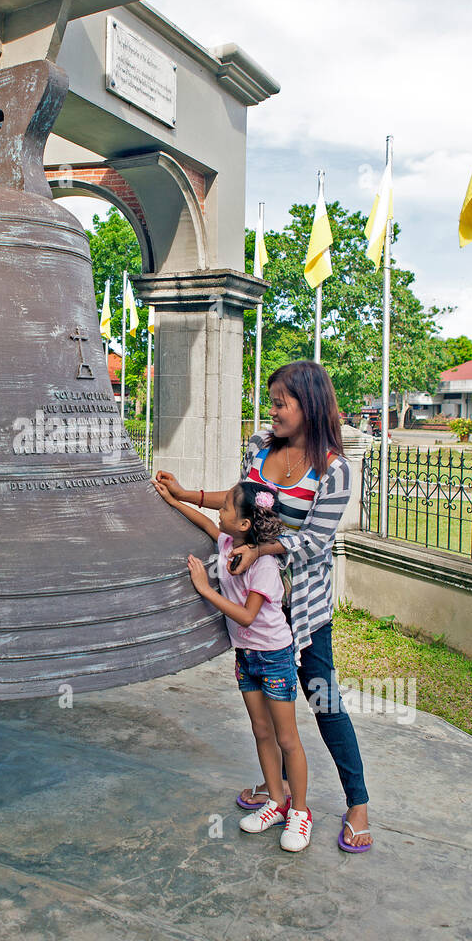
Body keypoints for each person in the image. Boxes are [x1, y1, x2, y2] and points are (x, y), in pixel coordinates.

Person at [156, 359, 372, 852]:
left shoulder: (333, 470)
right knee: (264, 715)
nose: (271, 410)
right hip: (255, 598)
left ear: (309, 405)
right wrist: (185, 494)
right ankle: (278, 794)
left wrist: (263, 549)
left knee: (322, 701)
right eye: (270, 401)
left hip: (303, 607)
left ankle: (356, 803)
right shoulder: (259, 446)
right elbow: (240, 503)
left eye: (281, 403)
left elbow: (317, 541)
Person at [154, 475, 313, 852]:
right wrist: (174, 500)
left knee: (287, 738)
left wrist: (206, 590)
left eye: (226, 506)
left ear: (244, 524)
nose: (219, 510)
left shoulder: (264, 566)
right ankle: (276, 801)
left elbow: (246, 616)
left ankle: (300, 813)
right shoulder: (228, 541)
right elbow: (206, 523)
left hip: (273, 657)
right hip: (247, 657)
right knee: (261, 732)